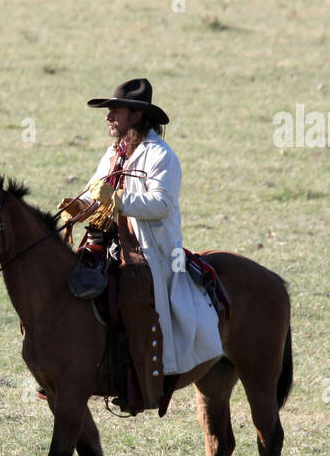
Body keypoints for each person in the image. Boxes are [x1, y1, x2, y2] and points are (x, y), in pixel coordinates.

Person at [62, 79, 223, 414]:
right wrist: (79, 208)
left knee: (133, 298)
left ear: (135, 116)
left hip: (151, 252)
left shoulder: (161, 156)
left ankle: (144, 386)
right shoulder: (113, 152)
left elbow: (161, 204)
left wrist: (117, 199)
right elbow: (96, 194)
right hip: (108, 242)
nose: (108, 118)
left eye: (114, 112)